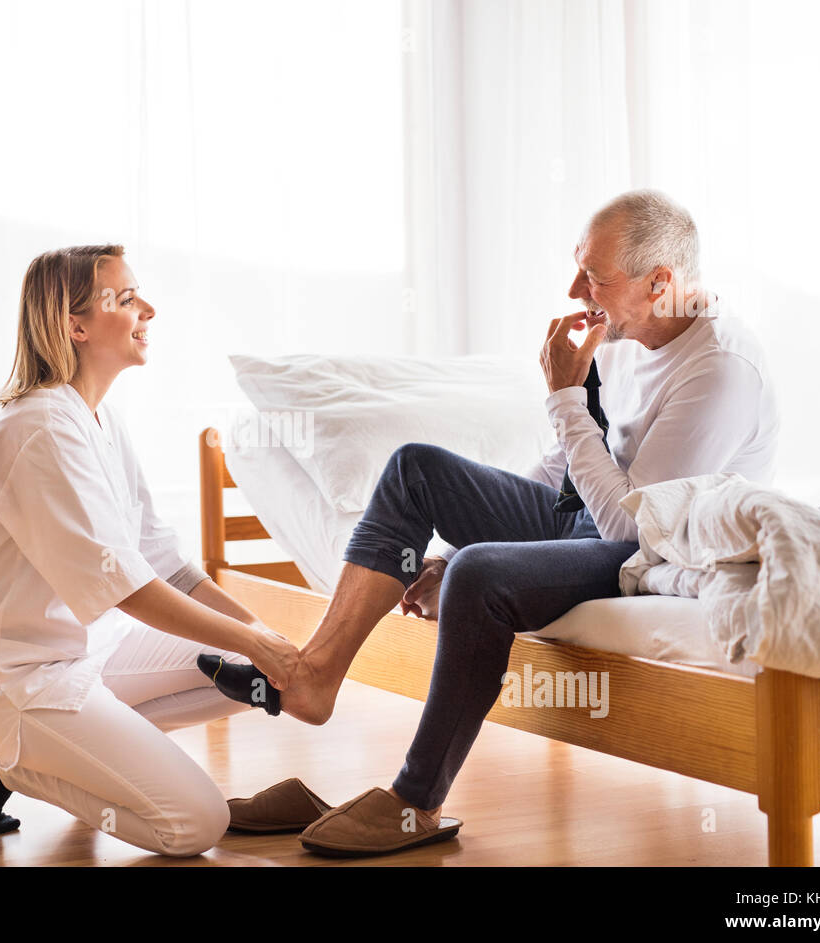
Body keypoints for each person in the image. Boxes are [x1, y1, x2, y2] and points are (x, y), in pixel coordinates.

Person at [202, 189, 781, 856]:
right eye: (577, 266)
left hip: (654, 553)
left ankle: (416, 801)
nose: (574, 289)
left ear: (660, 284)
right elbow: (563, 466)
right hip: (591, 521)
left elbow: (633, 531)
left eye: (593, 275)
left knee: (481, 575)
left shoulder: (721, 368)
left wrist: (565, 395)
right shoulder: (622, 336)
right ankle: (316, 674)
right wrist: (445, 551)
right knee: (415, 468)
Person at [0, 244, 297, 857]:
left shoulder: (99, 418)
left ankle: (80, 753)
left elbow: (165, 563)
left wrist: (274, 645)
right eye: (128, 299)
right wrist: (262, 643)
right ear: (74, 325)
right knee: (194, 825)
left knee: (260, 668)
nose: (149, 309)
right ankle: (10, 763)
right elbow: (128, 589)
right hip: (19, 676)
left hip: (93, 650)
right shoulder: (42, 430)